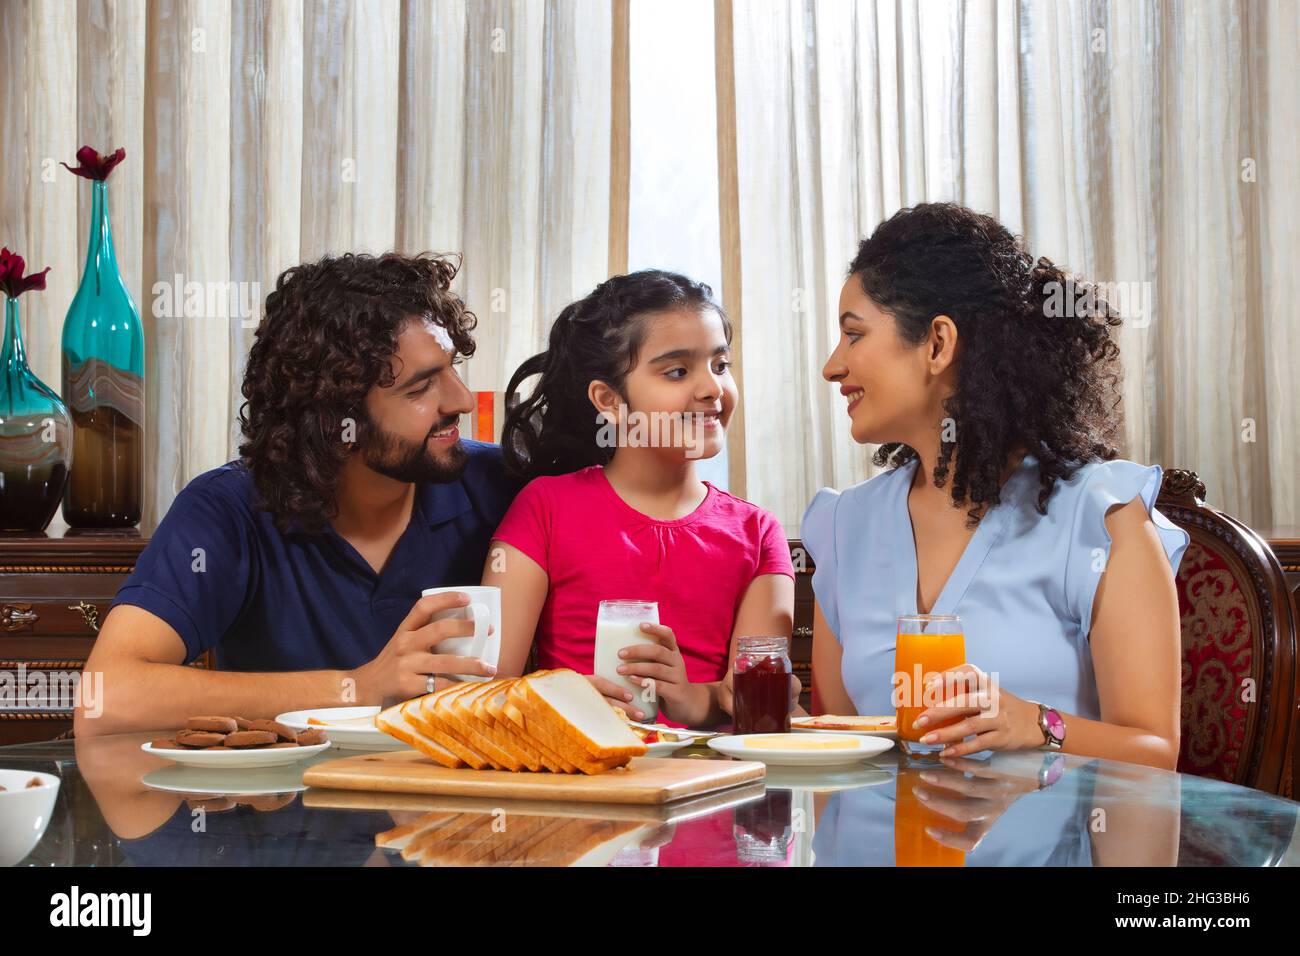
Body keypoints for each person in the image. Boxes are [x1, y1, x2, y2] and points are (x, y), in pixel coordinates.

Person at [802, 203, 1189, 769]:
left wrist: (1035, 724)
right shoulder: (842, 528)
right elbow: (841, 749)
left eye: (853, 335)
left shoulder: (1101, 517)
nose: (832, 367)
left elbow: (1155, 750)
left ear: (937, 343)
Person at [74, 252, 520, 737]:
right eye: (420, 389)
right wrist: (357, 687)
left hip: (447, 805)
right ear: (335, 416)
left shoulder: (500, 486)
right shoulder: (227, 510)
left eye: (452, 368)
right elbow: (107, 696)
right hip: (277, 806)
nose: (461, 400)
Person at [483, 270, 795, 728]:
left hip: (706, 783)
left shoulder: (757, 533)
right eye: (677, 371)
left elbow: (746, 700)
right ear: (609, 400)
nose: (712, 388)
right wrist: (557, 700)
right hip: (574, 779)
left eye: (720, 365)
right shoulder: (545, 508)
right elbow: (490, 687)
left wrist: (691, 699)